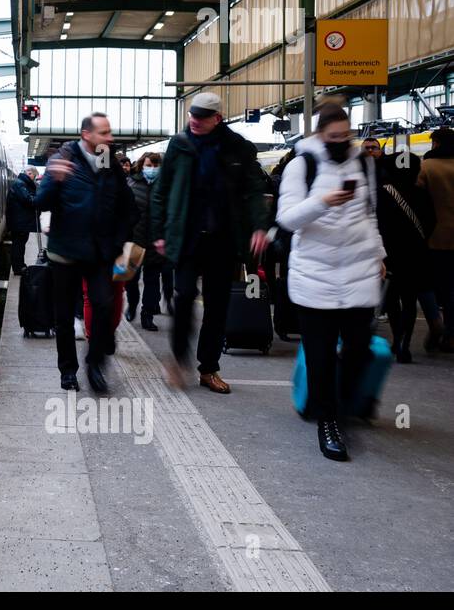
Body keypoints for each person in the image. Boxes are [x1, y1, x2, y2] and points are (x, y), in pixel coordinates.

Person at [276, 104, 384, 461]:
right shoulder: (300, 165)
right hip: (314, 275)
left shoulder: (364, 162)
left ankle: (340, 403)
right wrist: (322, 202)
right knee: (320, 353)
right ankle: (328, 422)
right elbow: (288, 219)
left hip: (359, 272)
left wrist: (380, 255)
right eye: (333, 137)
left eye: (345, 136)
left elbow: (371, 216)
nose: (340, 142)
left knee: (359, 347)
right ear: (321, 134)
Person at [151, 92, 271, 393]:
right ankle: (178, 362)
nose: (194, 120)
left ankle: (209, 368)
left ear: (217, 118)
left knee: (217, 307)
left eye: (202, 117)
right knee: (184, 297)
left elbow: (254, 190)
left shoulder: (238, 148)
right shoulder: (179, 145)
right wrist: (159, 232)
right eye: (192, 115)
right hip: (188, 238)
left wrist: (259, 227)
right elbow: (161, 191)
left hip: (223, 239)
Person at [34, 113, 137, 393]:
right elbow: (40, 202)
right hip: (65, 252)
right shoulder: (62, 160)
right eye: (104, 132)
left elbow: (127, 207)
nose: (110, 138)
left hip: (100, 253)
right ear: (86, 135)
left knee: (104, 305)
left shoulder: (109, 163)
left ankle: (95, 364)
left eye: (109, 132)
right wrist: (54, 181)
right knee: (64, 316)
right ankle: (68, 371)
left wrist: (119, 244)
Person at [377, 152, 438, 364]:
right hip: (416, 255)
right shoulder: (422, 193)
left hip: (390, 255)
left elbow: (378, 223)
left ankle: (396, 338)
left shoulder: (384, 193)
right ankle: (405, 344)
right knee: (410, 301)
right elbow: (431, 221)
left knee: (392, 300)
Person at [417, 128, 454, 349]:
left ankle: (435, 323)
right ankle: (451, 335)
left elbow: (417, 200)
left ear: (436, 144)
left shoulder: (426, 167)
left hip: (434, 238)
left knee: (425, 283)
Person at [126, 152, 168, 331]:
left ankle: (147, 315)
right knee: (130, 280)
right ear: (142, 165)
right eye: (149, 165)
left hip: (156, 243)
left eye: (156, 166)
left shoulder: (166, 186)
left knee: (152, 282)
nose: (152, 169)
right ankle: (132, 303)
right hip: (133, 240)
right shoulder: (131, 183)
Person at [5, 166, 40, 273]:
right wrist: (39, 199)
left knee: (20, 244)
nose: (34, 179)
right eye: (34, 177)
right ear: (30, 174)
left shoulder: (21, 184)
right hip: (19, 222)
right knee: (18, 245)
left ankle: (20, 265)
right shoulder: (20, 185)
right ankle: (18, 267)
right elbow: (28, 200)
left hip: (21, 221)